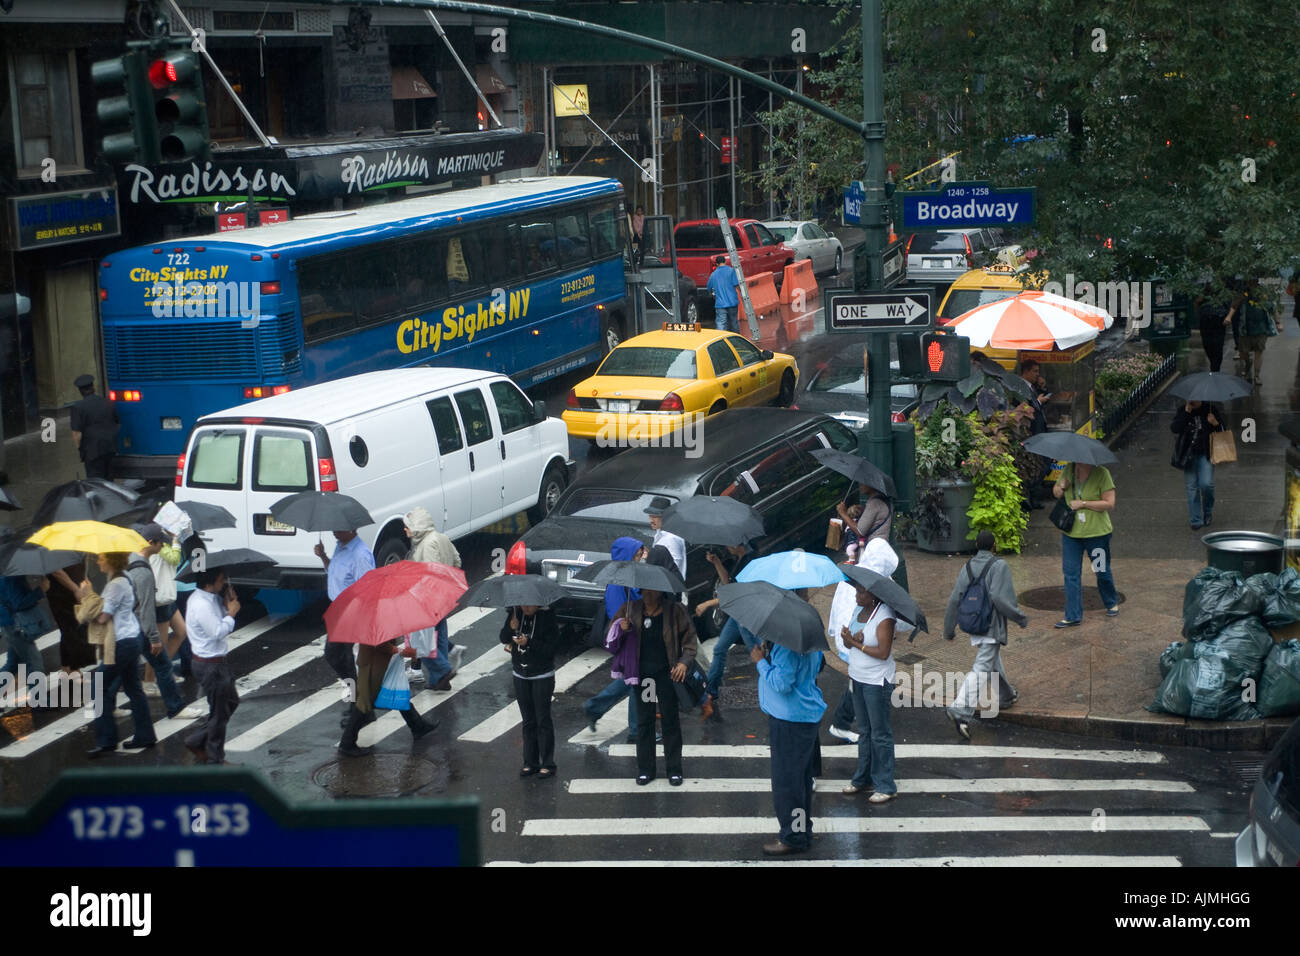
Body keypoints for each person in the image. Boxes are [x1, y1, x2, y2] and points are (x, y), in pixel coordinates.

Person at [943, 530, 1027, 740]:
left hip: (974, 623)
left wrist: (949, 628)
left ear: (977, 546)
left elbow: (955, 599)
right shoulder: (999, 566)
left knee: (991, 661)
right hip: (991, 625)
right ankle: (960, 709)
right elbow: (1000, 598)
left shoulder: (967, 566)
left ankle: (1006, 696)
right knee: (982, 666)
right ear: (993, 546)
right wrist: (1019, 617)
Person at [614, 584, 697, 786]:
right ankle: (645, 769)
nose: (650, 593)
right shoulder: (630, 609)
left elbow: (690, 641)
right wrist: (620, 628)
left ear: (661, 591)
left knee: (670, 721)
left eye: (654, 590)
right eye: (646, 590)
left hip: (667, 675)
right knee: (645, 721)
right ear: (640, 591)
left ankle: (674, 769)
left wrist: (683, 663)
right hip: (644, 677)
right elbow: (611, 638)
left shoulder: (675, 610)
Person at [752, 628, 826, 856]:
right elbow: (819, 665)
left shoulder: (786, 644)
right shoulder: (808, 637)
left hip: (789, 719)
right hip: (806, 715)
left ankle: (794, 837)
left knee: (787, 784)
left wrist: (760, 662)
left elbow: (782, 683)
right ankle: (802, 831)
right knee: (801, 781)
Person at [82, 552, 156, 757]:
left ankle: (107, 740)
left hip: (121, 643)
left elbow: (102, 618)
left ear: (112, 560)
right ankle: (145, 735)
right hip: (132, 638)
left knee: (98, 687)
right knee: (133, 688)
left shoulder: (115, 584)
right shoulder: (126, 577)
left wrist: (87, 595)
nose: (98, 561)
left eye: (102, 558)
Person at [825, 538, 899, 744]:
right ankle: (841, 722)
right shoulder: (880, 584)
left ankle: (844, 721)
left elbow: (837, 609)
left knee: (856, 682)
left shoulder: (852, 574)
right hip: (860, 644)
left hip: (848, 639)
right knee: (858, 684)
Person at [835, 577, 898, 804]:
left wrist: (858, 643)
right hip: (857, 677)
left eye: (861, 592)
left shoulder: (885, 617)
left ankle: (886, 784)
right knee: (864, 731)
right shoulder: (858, 610)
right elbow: (851, 645)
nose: (856, 595)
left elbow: (883, 652)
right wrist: (849, 639)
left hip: (876, 681)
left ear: (873, 596)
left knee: (880, 733)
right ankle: (863, 778)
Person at [584, 536, 647, 740]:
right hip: (630, 640)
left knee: (630, 681)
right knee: (635, 682)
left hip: (636, 637)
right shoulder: (618, 585)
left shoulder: (629, 578)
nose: (639, 559)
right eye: (637, 555)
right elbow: (619, 614)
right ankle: (636, 731)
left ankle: (594, 707)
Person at [339, 636, 438, 758]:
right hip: (372, 664)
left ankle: (418, 726)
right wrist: (400, 651)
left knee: (396, 692)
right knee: (365, 703)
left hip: (378, 661)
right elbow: (378, 643)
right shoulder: (375, 621)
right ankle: (347, 743)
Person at [125, 524, 186, 719]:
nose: (161, 547)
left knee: (177, 638)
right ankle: (152, 686)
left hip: (161, 603)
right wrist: (153, 638)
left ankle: (158, 685)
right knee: (156, 658)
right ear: (152, 542)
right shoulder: (141, 569)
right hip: (149, 616)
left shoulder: (139, 561)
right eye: (160, 543)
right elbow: (144, 607)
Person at [181, 568, 241, 764]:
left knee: (229, 703)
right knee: (218, 714)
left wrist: (227, 604)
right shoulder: (201, 604)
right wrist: (231, 614)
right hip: (210, 665)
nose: (224, 583)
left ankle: (197, 740)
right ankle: (215, 758)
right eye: (222, 580)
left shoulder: (210, 599)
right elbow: (217, 631)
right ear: (211, 581)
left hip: (215, 663)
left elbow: (218, 619)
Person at [403, 507, 466, 690]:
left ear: (416, 526)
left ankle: (443, 670)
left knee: (420, 642)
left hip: (428, 600)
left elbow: (431, 574)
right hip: (443, 598)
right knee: (439, 638)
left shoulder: (426, 545)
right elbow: (457, 561)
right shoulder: (441, 538)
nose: (405, 530)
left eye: (407, 526)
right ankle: (438, 680)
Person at [315, 529, 374, 719]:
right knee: (335, 656)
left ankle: (360, 705)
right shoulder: (340, 547)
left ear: (352, 529)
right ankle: (357, 699)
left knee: (344, 657)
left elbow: (367, 588)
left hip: (351, 613)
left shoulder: (360, 555)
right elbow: (333, 571)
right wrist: (323, 556)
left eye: (339, 528)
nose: (334, 531)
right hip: (337, 610)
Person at [1052, 459, 1119, 627]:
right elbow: (1056, 493)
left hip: (1097, 534)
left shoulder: (1102, 473)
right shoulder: (1069, 469)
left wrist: (1083, 504)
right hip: (1071, 533)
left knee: (1101, 570)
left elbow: (1109, 503)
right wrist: (1061, 487)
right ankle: (1072, 615)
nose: (1078, 462)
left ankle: (1111, 601)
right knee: (1070, 573)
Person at [696, 542, 758, 720]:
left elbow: (737, 594)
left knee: (757, 652)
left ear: (740, 544)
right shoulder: (737, 559)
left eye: (729, 544)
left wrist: (708, 603)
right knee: (719, 648)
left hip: (746, 615)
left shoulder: (750, 561)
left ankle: (772, 687)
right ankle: (711, 691)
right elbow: (727, 584)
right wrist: (716, 562)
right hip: (737, 614)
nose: (726, 547)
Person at [501, 603, 561, 777]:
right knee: (528, 720)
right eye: (523, 604)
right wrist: (510, 628)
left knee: (542, 718)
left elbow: (551, 649)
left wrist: (529, 642)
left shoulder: (548, 618)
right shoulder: (515, 614)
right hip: (520, 674)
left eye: (529, 605)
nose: (525, 607)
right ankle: (530, 762)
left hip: (542, 675)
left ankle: (548, 763)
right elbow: (503, 638)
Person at [1171, 399, 1224, 530]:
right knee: (1192, 488)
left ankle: (1207, 511)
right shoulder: (1183, 410)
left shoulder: (1210, 409)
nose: (1193, 401)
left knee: (1207, 484)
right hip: (1188, 456)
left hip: (1205, 454)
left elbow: (1223, 431)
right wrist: (1186, 413)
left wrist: (1215, 423)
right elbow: (1175, 429)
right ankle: (1196, 519)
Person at [0, 573, 50, 693]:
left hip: (8, 623)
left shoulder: (7, 571)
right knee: (34, 661)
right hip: (15, 625)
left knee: (13, 663)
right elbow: (18, 603)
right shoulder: (9, 575)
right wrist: (40, 590)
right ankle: (40, 702)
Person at [1226, 280, 1283, 385]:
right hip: (1245, 329)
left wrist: (1278, 323)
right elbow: (1234, 306)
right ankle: (1248, 364)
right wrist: (1229, 317)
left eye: (1254, 284)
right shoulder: (1243, 294)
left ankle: (1257, 375)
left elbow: (1273, 308)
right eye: (1250, 283)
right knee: (1243, 352)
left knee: (1259, 351)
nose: (1252, 286)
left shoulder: (1264, 295)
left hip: (1261, 329)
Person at [69, 374, 119, 480]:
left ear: (80, 391)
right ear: (93, 387)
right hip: (110, 447)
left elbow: (76, 433)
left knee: (95, 481)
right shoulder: (107, 402)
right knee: (109, 479)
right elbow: (117, 423)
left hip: (92, 451)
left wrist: (80, 449)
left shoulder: (78, 407)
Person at [1018, 359, 1050, 509]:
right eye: (1035, 372)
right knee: (1037, 465)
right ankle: (1029, 498)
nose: (1037, 375)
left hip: (1039, 430)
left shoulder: (1032, 386)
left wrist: (1042, 387)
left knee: (1042, 464)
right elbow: (1026, 407)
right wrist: (1038, 402)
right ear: (1026, 372)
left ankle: (1034, 497)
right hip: (1031, 432)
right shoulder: (1020, 388)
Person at [836, 482, 892, 549]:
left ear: (872, 485)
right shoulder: (881, 500)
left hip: (874, 549)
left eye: (863, 483)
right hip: (880, 546)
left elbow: (860, 531)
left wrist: (843, 513)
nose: (860, 485)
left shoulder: (874, 503)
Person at [644, 497, 687, 581]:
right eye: (650, 516)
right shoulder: (659, 533)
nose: (651, 520)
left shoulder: (672, 538)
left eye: (655, 517)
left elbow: (674, 569)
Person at [1194, 283, 1229, 373]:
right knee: (1207, 344)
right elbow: (1196, 304)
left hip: (1218, 319)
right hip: (1205, 320)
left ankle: (1215, 369)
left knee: (1218, 345)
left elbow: (1227, 304)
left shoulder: (1221, 291)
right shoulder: (1202, 291)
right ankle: (1214, 365)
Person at [706, 255, 741, 333]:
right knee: (734, 322)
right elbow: (737, 284)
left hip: (720, 303)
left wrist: (712, 294)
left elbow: (709, 287)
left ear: (717, 264)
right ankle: (736, 340)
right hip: (732, 302)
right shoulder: (731, 271)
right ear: (725, 262)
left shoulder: (713, 274)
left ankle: (721, 341)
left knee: (721, 324)